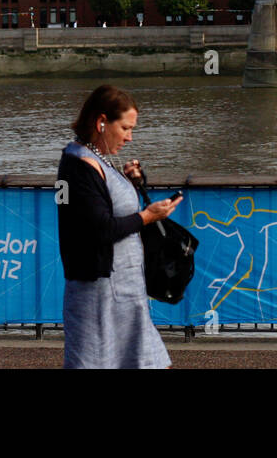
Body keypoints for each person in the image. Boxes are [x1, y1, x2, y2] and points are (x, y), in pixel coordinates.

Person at [56, 85, 181, 369]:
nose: (129, 136)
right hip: (99, 293)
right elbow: (99, 229)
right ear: (101, 122)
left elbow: (109, 206)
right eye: (125, 127)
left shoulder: (96, 160)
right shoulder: (77, 165)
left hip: (124, 290)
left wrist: (131, 180)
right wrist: (148, 217)